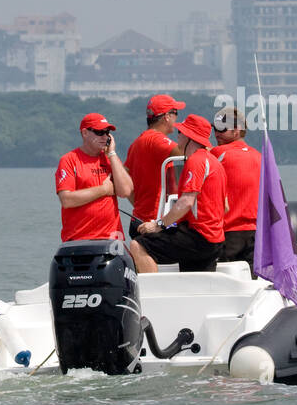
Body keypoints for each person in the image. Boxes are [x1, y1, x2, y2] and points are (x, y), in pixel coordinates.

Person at [129, 114, 226, 272]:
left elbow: (186, 202)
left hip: (198, 236)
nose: (177, 137)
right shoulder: (214, 162)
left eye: (180, 133)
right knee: (193, 285)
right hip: (214, 238)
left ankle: (152, 295)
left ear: (188, 137)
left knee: (138, 244)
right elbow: (225, 207)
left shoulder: (195, 161)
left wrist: (158, 225)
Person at [55, 113, 134, 243]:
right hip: (79, 239)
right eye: (99, 132)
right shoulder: (69, 160)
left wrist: (112, 154)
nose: (104, 136)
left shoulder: (110, 158)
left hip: (112, 238)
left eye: (107, 132)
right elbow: (67, 200)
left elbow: (125, 191)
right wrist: (104, 190)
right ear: (85, 133)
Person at [123, 94, 185, 234]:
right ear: (166, 117)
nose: (177, 118)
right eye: (175, 113)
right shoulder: (156, 140)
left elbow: (125, 179)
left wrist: (138, 205)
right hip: (154, 221)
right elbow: (187, 152)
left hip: (139, 218)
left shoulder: (137, 143)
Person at [210, 105, 261, 265]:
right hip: (257, 234)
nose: (217, 133)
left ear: (237, 130)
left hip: (229, 233)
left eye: (222, 129)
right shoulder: (260, 157)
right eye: (215, 129)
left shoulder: (217, 154)